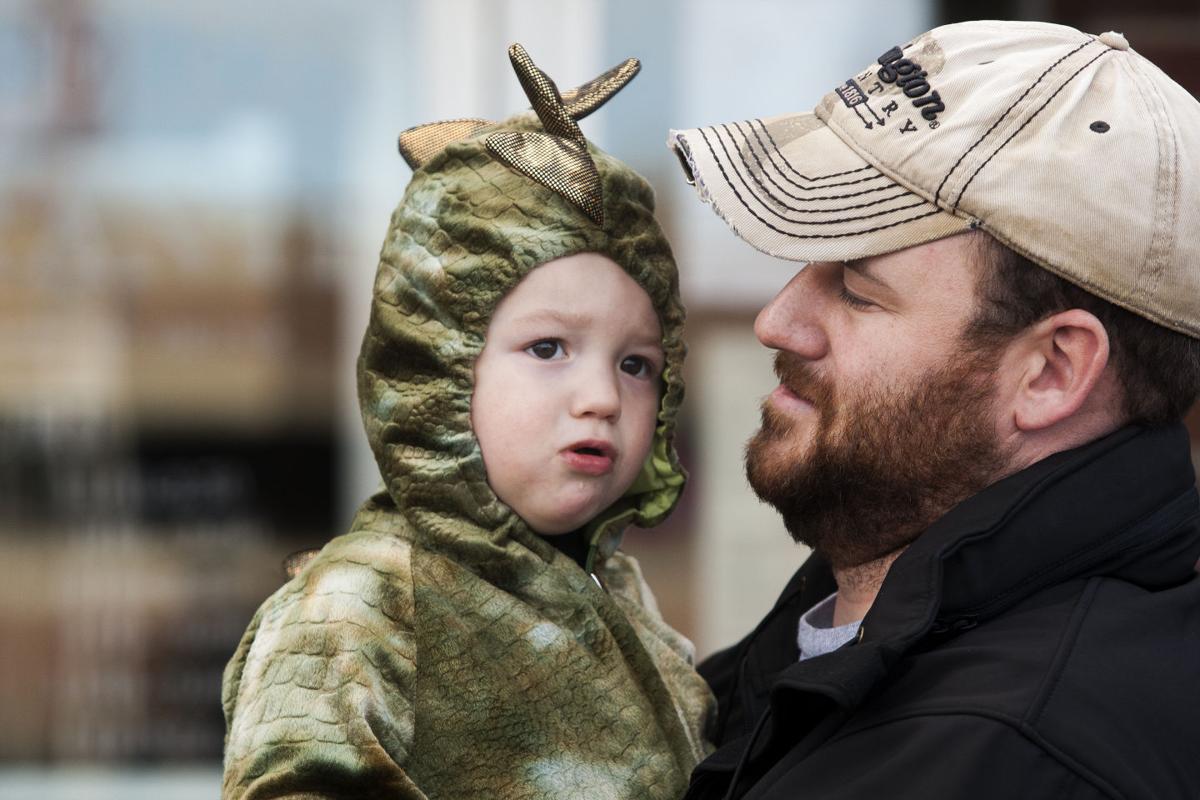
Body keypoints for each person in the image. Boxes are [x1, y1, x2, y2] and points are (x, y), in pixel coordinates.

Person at [667, 19, 1200, 799]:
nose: (777, 322)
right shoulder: (862, 638)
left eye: (856, 288)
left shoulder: (991, 757)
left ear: (1050, 372)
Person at [221, 44, 714, 800]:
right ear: (434, 369)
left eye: (637, 364)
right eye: (548, 348)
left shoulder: (619, 594)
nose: (603, 399)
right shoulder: (358, 604)